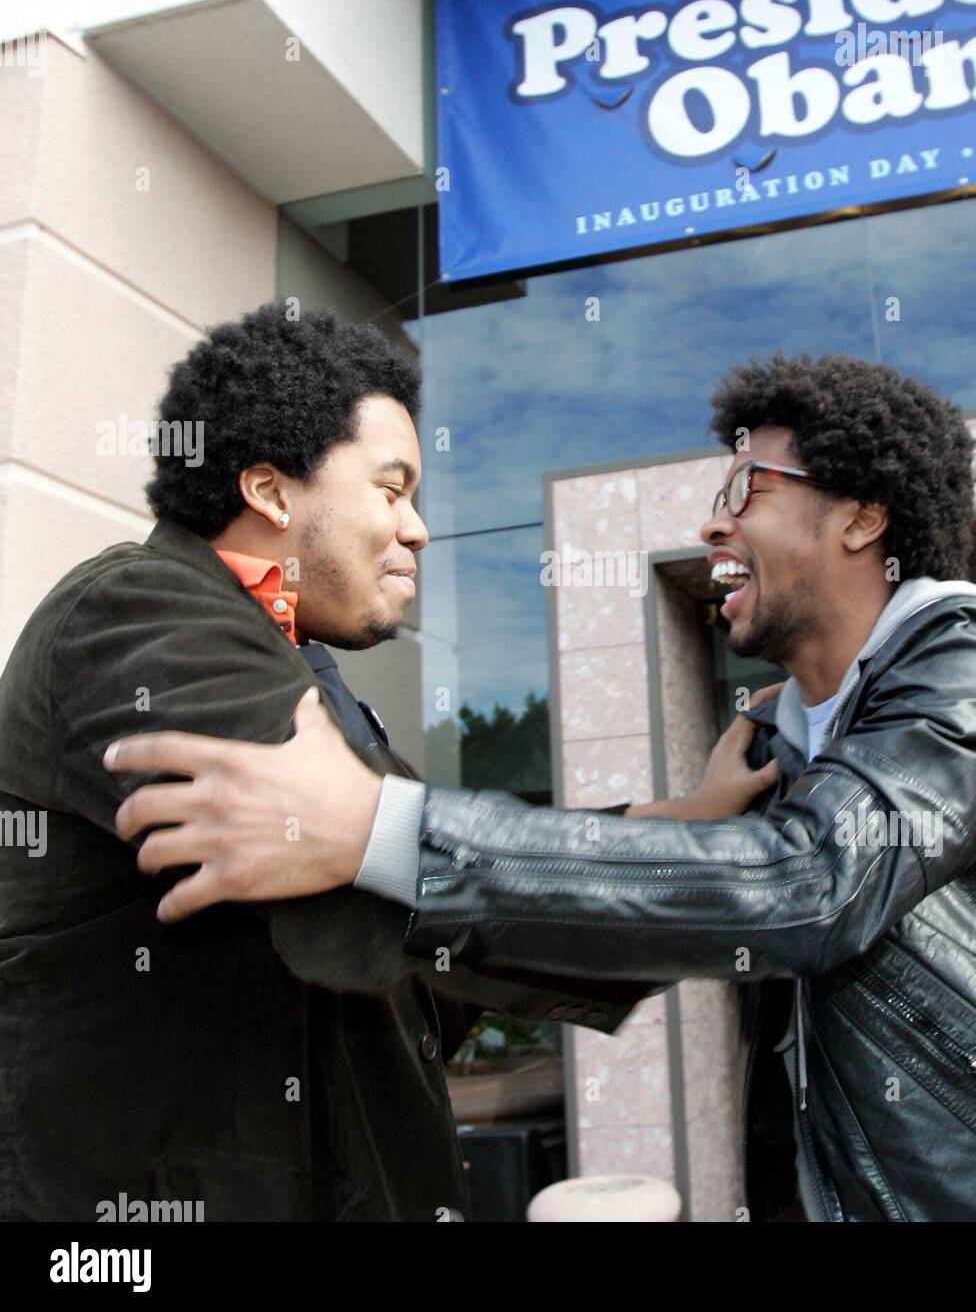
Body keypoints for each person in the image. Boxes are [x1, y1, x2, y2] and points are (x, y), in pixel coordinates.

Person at [110, 351, 976, 1222]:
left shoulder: (973, 660)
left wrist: (381, 828)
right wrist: (692, 815)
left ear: (859, 518)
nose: (714, 525)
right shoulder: (794, 739)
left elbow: (808, 889)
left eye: (746, 491)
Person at [0, 303, 773, 1222]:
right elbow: (363, 883)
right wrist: (710, 876)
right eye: (391, 489)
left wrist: (687, 819)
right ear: (272, 492)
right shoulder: (136, 614)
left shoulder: (299, 667)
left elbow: (422, 913)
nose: (418, 531)